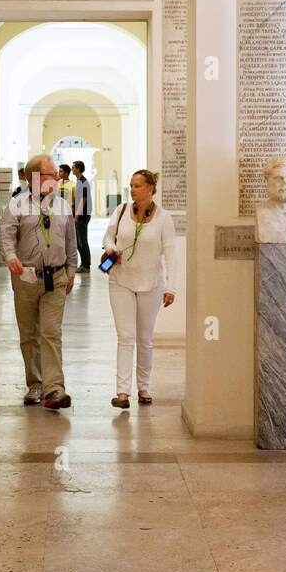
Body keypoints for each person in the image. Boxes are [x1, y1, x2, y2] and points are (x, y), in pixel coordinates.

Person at [0, 154, 78, 409]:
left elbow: (70, 243)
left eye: (57, 174)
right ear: (35, 178)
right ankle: (35, 385)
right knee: (29, 335)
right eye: (51, 174)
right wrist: (11, 257)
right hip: (26, 278)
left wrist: (71, 271)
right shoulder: (17, 205)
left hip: (55, 277)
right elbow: (7, 238)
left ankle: (54, 389)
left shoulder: (63, 206)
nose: (57, 178)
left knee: (51, 333)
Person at [101, 169, 177, 408]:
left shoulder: (164, 218)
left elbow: (172, 254)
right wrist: (111, 248)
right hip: (121, 281)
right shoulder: (121, 210)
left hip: (151, 284)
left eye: (137, 186)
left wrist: (171, 287)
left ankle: (143, 387)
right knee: (126, 337)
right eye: (131, 185)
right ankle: (122, 393)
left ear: (150, 189)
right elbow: (107, 237)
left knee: (144, 339)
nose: (132, 189)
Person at [72, 160, 93, 272]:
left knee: (83, 241)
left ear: (78, 169)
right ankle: (83, 264)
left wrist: (77, 215)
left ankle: (86, 265)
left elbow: (83, 200)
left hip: (83, 216)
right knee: (79, 242)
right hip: (80, 215)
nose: (72, 169)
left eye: (74, 167)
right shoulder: (79, 181)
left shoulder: (84, 182)